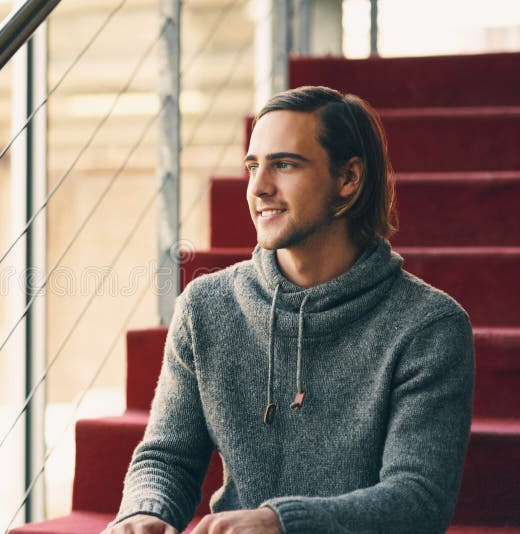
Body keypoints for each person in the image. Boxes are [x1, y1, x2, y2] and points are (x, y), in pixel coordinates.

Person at [102, 86, 475, 533]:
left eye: (284, 164)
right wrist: (146, 511)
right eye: (252, 166)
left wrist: (282, 524)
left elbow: (417, 500)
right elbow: (167, 456)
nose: (258, 188)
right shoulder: (205, 307)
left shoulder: (429, 327)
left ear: (348, 179)